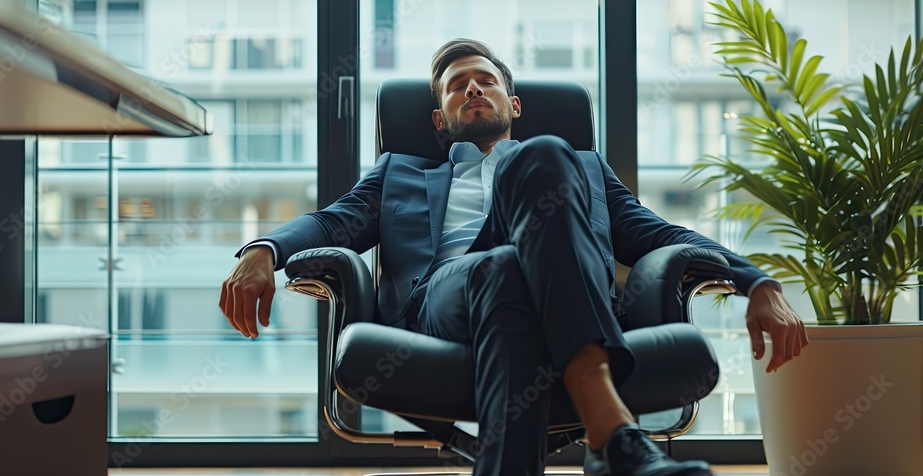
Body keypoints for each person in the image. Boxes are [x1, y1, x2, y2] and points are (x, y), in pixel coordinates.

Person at [220, 39, 809, 476]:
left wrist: (755, 280)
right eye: (456, 85)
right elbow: (331, 222)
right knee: (510, 234)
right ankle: (613, 434)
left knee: (527, 213)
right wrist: (262, 250)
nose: (472, 89)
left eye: (485, 80)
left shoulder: (581, 167)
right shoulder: (399, 172)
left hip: (545, 294)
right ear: (438, 118)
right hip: (443, 300)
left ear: (514, 103)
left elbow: (657, 233)